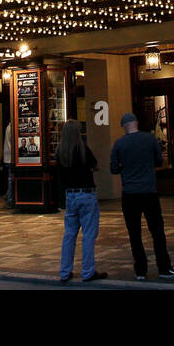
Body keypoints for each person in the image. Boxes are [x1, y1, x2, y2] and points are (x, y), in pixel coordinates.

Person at [110, 112, 174, 280]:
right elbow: (159, 161)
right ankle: (164, 267)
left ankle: (140, 270)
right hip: (149, 191)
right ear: (137, 122)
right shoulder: (149, 139)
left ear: (124, 126)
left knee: (134, 233)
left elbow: (113, 168)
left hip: (129, 193)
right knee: (157, 231)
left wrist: (124, 167)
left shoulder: (119, 143)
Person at [56, 120, 105, 283]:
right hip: (86, 193)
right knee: (89, 234)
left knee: (69, 234)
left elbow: (60, 175)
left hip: (70, 195)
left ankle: (64, 271)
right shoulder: (83, 149)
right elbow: (95, 165)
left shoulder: (60, 152)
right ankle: (88, 271)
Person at [3, 122, 15, 206]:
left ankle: (8, 195)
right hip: (10, 158)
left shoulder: (8, 127)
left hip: (8, 157)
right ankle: (10, 200)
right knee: (11, 179)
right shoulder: (11, 128)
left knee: (10, 179)